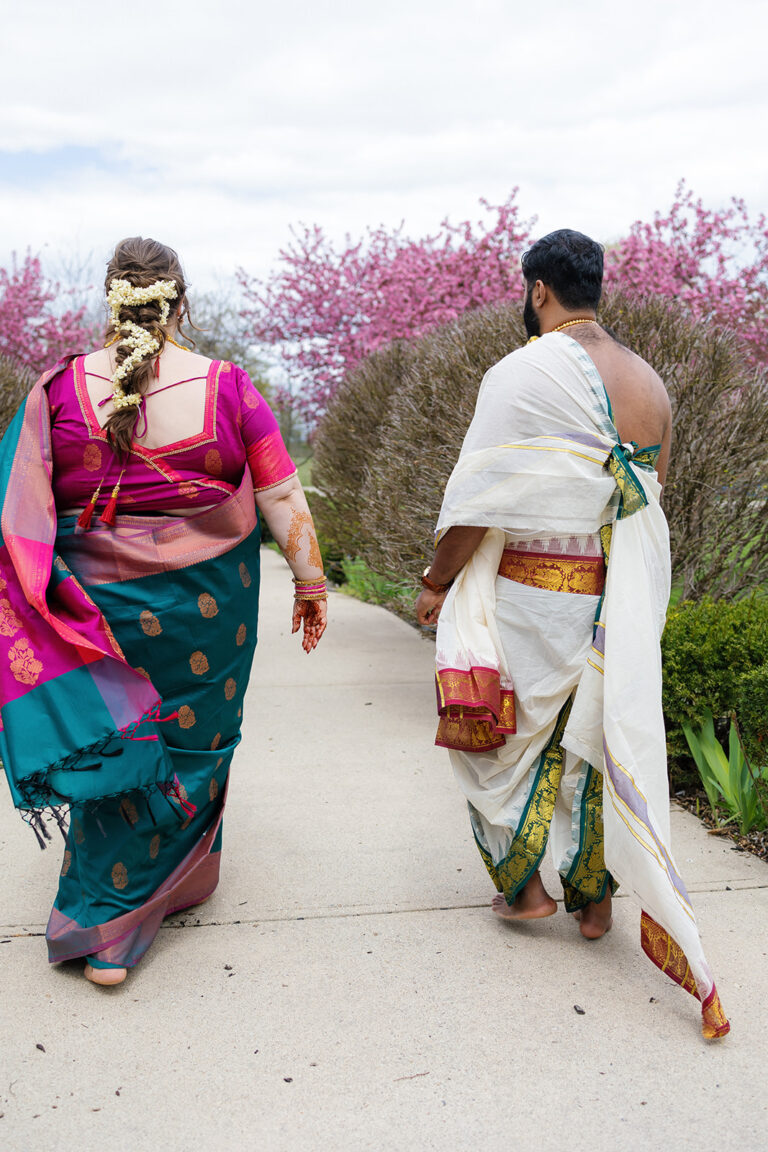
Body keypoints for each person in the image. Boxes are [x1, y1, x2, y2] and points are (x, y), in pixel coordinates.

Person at [415, 229, 729, 1039]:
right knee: (593, 734)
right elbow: (640, 503)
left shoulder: (521, 373)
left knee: (498, 736)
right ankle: (595, 903)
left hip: (531, 591)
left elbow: (477, 501)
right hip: (615, 596)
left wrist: (440, 580)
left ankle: (525, 890)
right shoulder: (648, 383)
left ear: (539, 291)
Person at [0, 237, 327, 986]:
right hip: (207, 611)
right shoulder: (226, 385)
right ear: (182, 303)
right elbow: (281, 494)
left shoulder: (57, 391)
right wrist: (311, 584)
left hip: (93, 609)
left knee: (113, 737)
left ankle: (114, 900)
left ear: (108, 301)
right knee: (196, 742)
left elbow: (22, 511)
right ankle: (115, 927)